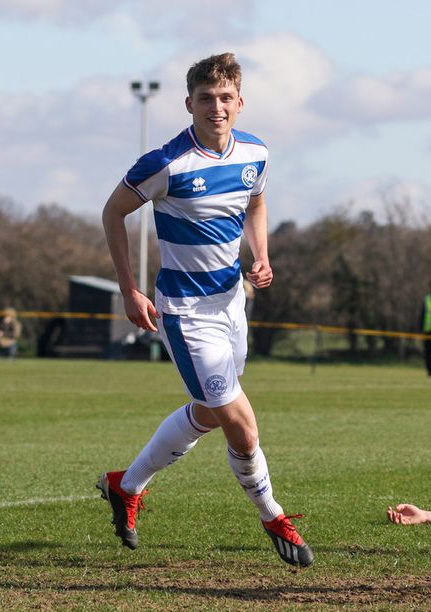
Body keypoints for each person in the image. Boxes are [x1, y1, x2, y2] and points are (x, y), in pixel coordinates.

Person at [96, 53, 311, 567]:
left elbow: (255, 202)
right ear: (188, 103)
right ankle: (273, 515)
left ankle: (125, 486)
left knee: (213, 414)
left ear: (240, 102)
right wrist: (129, 289)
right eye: (205, 99)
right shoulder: (165, 163)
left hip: (232, 302)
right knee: (241, 421)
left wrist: (261, 255)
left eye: (225, 98)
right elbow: (113, 212)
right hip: (185, 312)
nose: (216, 107)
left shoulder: (255, 152)